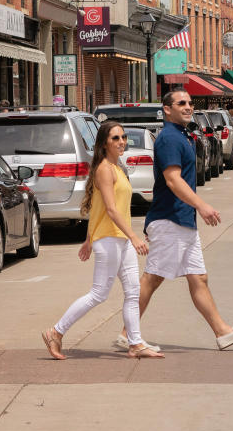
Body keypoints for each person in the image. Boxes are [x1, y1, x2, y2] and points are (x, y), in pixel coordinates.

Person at [120, 89, 233, 351]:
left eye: (190, 103)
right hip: (169, 219)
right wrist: (202, 206)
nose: (188, 107)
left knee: (198, 278)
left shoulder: (182, 135)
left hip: (182, 219)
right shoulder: (169, 139)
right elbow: (172, 180)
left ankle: (222, 332)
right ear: (166, 110)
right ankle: (128, 334)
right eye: (181, 103)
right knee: (152, 278)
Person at [42, 120, 163, 361]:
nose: (121, 142)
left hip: (117, 239)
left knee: (132, 291)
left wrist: (88, 239)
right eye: (115, 138)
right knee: (99, 293)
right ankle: (55, 331)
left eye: (123, 137)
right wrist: (134, 236)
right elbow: (110, 209)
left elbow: (96, 207)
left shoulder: (117, 167)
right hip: (110, 240)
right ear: (104, 144)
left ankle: (135, 344)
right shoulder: (105, 170)